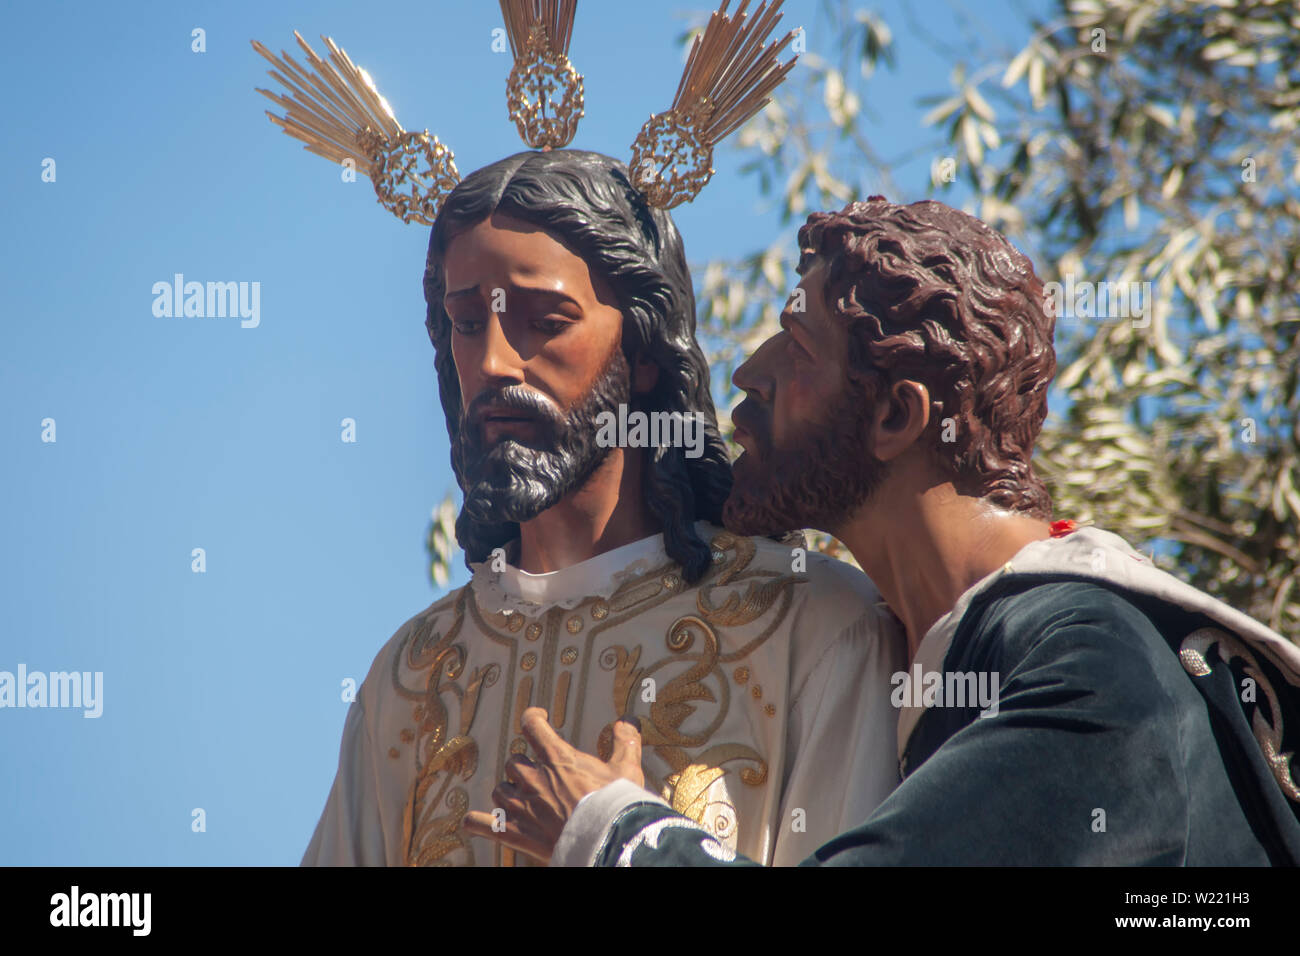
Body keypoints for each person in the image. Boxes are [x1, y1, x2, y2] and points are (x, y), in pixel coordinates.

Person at [463, 196, 1300, 866]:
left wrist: (609, 833)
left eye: (796, 347)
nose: (748, 373)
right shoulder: (937, 652)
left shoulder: (1091, 661)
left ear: (899, 415)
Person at [300, 153, 907, 867]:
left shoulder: (815, 624)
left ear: (644, 350)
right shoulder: (411, 676)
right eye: (467, 324)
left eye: (543, 321)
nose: (493, 362)